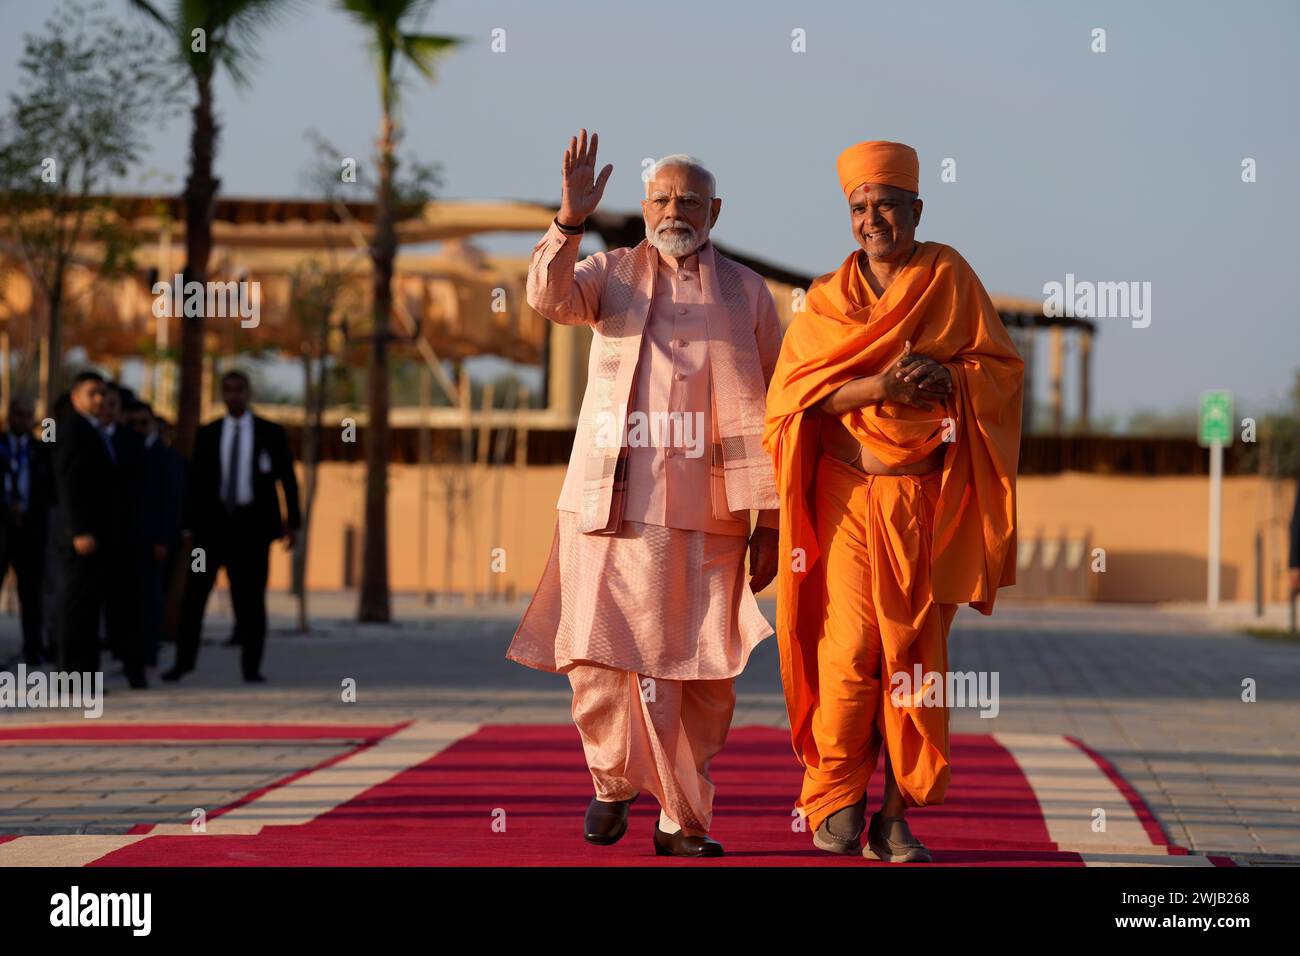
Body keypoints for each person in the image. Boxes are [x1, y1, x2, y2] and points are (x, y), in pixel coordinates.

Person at [507, 131, 782, 858]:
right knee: (595, 659)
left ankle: (680, 820)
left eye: (689, 200)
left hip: (712, 514)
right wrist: (569, 220)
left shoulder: (748, 293)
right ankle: (611, 781)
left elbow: (779, 411)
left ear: (715, 211)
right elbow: (548, 297)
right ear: (643, 205)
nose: (673, 211)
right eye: (661, 199)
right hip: (608, 505)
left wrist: (772, 520)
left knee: (701, 675)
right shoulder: (611, 273)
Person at [763, 140, 1024, 862]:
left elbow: (1001, 371)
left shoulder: (950, 278)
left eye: (885, 204)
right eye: (859, 207)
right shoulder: (824, 300)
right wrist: (881, 387)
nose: (872, 218)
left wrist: (949, 377)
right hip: (846, 496)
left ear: (917, 209)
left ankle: (895, 814)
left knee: (913, 654)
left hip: (928, 499)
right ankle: (836, 791)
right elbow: (795, 399)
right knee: (851, 649)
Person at [165, 370, 299, 683]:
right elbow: (194, 483)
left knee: (250, 600)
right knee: (194, 597)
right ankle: (183, 663)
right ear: (222, 394)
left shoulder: (270, 432)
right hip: (208, 533)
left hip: (252, 532)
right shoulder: (208, 433)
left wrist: (293, 523)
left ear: (248, 393)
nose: (234, 395)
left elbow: (287, 479)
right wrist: (187, 527)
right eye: (228, 390)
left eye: (239, 389)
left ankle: (251, 667)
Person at [52, 371, 125, 678]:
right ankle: (71, 674)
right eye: (91, 393)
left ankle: (85, 672)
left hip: (99, 535)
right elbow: (68, 483)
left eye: (102, 393)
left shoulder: (95, 430)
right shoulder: (73, 429)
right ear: (75, 397)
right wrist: (79, 530)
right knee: (77, 606)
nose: (98, 399)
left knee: (90, 607)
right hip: (82, 536)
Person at [124, 400, 184, 668]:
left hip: (154, 542)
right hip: (126, 539)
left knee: (150, 598)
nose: (138, 429)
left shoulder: (167, 457)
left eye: (143, 423)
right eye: (132, 424)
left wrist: (163, 540)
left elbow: (172, 503)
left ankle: (147, 653)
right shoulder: (123, 451)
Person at [0, 397, 53, 665]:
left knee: (31, 594)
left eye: (28, 415)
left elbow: (50, 491)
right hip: (2, 529)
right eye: (18, 414)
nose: (23, 419)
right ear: (9, 415)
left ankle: (34, 649)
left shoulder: (41, 450)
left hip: (30, 532)